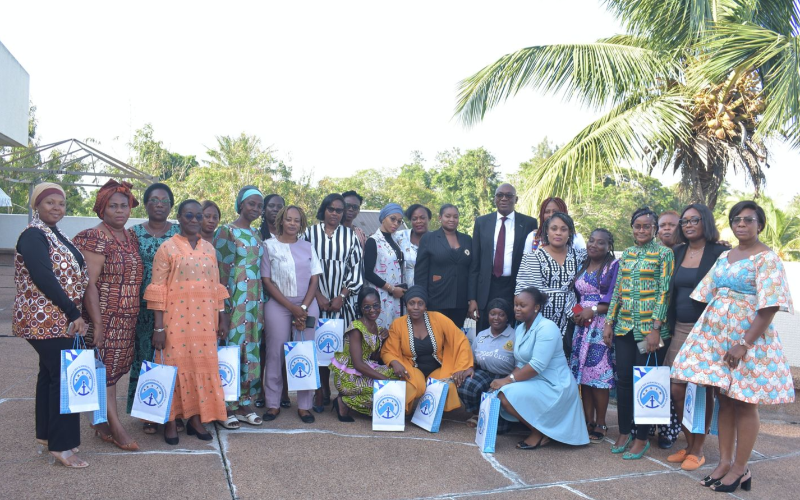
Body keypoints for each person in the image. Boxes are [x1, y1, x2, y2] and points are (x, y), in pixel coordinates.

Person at [672, 201, 794, 493]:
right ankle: (725, 462)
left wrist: (744, 344)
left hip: (749, 340)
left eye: (748, 219)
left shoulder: (768, 259)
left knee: (744, 402)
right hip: (718, 338)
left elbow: (769, 307)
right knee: (724, 399)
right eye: (736, 219)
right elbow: (708, 293)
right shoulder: (725, 256)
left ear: (759, 224)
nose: (741, 224)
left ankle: (741, 467)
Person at [13, 183, 90, 467]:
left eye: (61, 203)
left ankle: (46, 435)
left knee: (49, 374)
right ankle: (62, 446)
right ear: (36, 205)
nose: (56, 208)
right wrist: (73, 313)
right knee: (64, 378)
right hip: (44, 319)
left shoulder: (55, 234)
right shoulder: (34, 235)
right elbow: (44, 278)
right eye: (49, 202)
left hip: (55, 319)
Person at [145, 200, 229, 445]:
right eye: (189, 215)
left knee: (201, 366)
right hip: (175, 321)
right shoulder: (167, 248)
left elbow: (216, 285)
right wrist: (158, 328)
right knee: (174, 367)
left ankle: (195, 418)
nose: (194, 220)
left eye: (198, 216)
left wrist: (222, 317)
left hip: (205, 322)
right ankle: (170, 421)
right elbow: (158, 289)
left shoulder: (209, 248)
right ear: (179, 218)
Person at [73, 179, 143, 451]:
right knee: (107, 371)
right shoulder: (95, 238)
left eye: (124, 205)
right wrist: (98, 324)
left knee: (113, 368)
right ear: (102, 209)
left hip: (127, 317)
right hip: (104, 316)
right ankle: (115, 426)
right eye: (113, 206)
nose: (119, 211)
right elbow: (88, 284)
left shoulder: (129, 237)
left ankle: (100, 421)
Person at [603, 207, 674, 460]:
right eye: (637, 226)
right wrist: (609, 322)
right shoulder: (628, 254)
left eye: (647, 226)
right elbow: (618, 291)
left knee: (646, 382)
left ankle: (642, 437)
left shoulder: (664, 254)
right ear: (632, 228)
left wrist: (655, 328)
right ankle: (625, 432)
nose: (641, 230)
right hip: (624, 327)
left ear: (654, 229)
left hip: (649, 331)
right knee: (623, 380)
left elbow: (664, 292)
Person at [663, 204, 728, 470]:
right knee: (677, 388)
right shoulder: (677, 252)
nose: (688, 225)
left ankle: (698, 449)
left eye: (694, 220)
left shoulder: (720, 253)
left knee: (701, 390)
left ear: (706, 222)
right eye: (685, 221)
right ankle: (689, 444)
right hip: (679, 327)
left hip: (707, 330)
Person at [489, 287, 590, 449]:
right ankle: (540, 428)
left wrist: (507, 380)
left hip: (555, 386)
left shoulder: (547, 327)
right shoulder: (520, 328)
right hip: (536, 381)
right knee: (500, 391)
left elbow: (537, 365)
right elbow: (520, 364)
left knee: (505, 394)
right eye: (516, 305)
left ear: (536, 307)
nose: (517, 308)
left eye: (523, 305)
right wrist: (504, 381)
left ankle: (539, 432)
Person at [126, 183, 180, 435]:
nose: (159, 204)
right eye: (154, 200)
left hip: (175, 306)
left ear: (171, 206)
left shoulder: (181, 233)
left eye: (164, 200)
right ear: (146, 204)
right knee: (145, 356)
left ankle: (174, 411)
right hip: (142, 307)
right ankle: (148, 412)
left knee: (173, 357)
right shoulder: (132, 234)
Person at [261, 205, 322, 423]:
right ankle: (273, 403)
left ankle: (305, 406)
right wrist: (291, 307)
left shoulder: (308, 247)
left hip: (307, 305)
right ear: (281, 221)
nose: (292, 223)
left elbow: (315, 279)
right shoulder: (269, 246)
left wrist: (303, 308)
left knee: (305, 353)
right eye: (288, 219)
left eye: (297, 220)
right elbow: (267, 281)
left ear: (301, 223)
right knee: (275, 353)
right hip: (278, 305)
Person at [306, 193, 364, 410]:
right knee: (318, 347)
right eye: (331, 209)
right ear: (324, 209)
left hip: (342, 302)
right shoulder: (309, 233)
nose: (335, 213)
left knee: (340, 349)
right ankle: (321, 391)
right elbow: (303, 266)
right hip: (315, 299)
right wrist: (317, 295)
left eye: (339, 210)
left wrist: (342, 296)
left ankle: (342, 395)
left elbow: (356, 269)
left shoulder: (350, 237)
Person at [214, 185, 265, 429]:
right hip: (235, 300)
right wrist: (222, 311)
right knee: (231, 351)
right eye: (251, 203)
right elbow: (221, 274)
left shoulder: (256, 233)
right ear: (240, 204)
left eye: (259, 205)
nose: (255, 209)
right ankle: (225, 405)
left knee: (251, 350)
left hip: (255, 302)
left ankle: (244, 402)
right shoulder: (226, 231)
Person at [381, 286, 473, 415]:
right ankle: (395, 413)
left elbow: (460, 340)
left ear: (425, 306)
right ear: (406, 305)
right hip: (412, 367)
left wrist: (464, 366)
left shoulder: (438, 319)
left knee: (445, 386)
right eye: (412, 303)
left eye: (420, 303)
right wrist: (394, 362)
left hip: (438, 367)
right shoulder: (398, 324)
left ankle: (429, 414)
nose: (416, 307)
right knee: (415, 386)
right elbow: (388, 350)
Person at [569, 229, 619, 443]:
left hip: (601, 324)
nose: (594, 245)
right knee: (584, 375)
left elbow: (615, 297)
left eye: (600, 242)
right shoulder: (582, 264)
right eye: (591, 240)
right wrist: (577, 313)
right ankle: (587, 420)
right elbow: (577, 295)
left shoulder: (613, 266)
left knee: (599, 375)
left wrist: (594, 310)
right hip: (582, 326)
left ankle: (601, 422)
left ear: (608, 246)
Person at [469, 183, 537, 331]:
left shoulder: (529, 223)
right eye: (500, 195)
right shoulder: (481, 222)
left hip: (514, 287)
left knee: (514, 330)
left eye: (509, 196)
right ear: (495, 199)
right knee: (485, 329)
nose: (504, 199)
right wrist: (472, 298)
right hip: (487, 287)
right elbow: (475, 263)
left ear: (516, 199)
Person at [515, 212, 585, 355]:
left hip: (571, 317)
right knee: (540, 358)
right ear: (546, 231)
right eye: (554, 228)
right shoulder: (533, 257)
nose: (558, 233)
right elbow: (523, 293)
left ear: (570, 232)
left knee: (566, 357)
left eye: (563, 229)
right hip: (540, 318)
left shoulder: (580, 257)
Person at [330, 287, 399, 421]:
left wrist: (382, 340)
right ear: (361, 308)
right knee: (386, 388)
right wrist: (384, 380)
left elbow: (374, 358)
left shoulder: (377, 328)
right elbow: (358, 364)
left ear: (380, 305)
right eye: (367, 307)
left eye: (375, 305)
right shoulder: (356, 328)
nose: (372, 310)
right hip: (348, 378)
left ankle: (349, 399)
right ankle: (343, 402)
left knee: (397, 378)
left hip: (363, 372)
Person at [457, 298, 515, 432]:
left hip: (506, 378)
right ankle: (477, 412)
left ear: (507, 317)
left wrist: (507, 380)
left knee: (497, 428)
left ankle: (502, 417)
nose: (496, 318)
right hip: (485, 374)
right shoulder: (482, 335)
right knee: (467, 384)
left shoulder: (515, 336)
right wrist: (470, 368)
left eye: (501, 314)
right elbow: (473, 360)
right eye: (492, 314)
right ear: (488, 315)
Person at [414, 204, 473, 328]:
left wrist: (472, 299)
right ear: (440, 217)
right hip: (436, 299)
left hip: (460, 302)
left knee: (455, 336)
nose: (452, 219)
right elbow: (420, 273)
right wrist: (421, 300)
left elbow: (472, 271)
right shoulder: (429, 238)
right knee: (436, 336)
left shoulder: (467, 239)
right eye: (448, 216)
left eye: (455, 217)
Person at [364, 203, 407, 328]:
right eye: (392, 219)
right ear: (383, 218)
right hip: (380, 296)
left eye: (399, 221)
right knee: (381, 330)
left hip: (397, 297)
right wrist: (391, 289)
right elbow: (368, 273)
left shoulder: (396, 241)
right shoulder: (373, 241)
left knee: (396, 331)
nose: (396, 224)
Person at [394, 204, 431, 287]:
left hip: (430, 289)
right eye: (414, 219)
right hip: (403, 290)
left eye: (422, 218)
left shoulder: (436, 239)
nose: (419, 221)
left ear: (429, 219)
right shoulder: (399, 237)